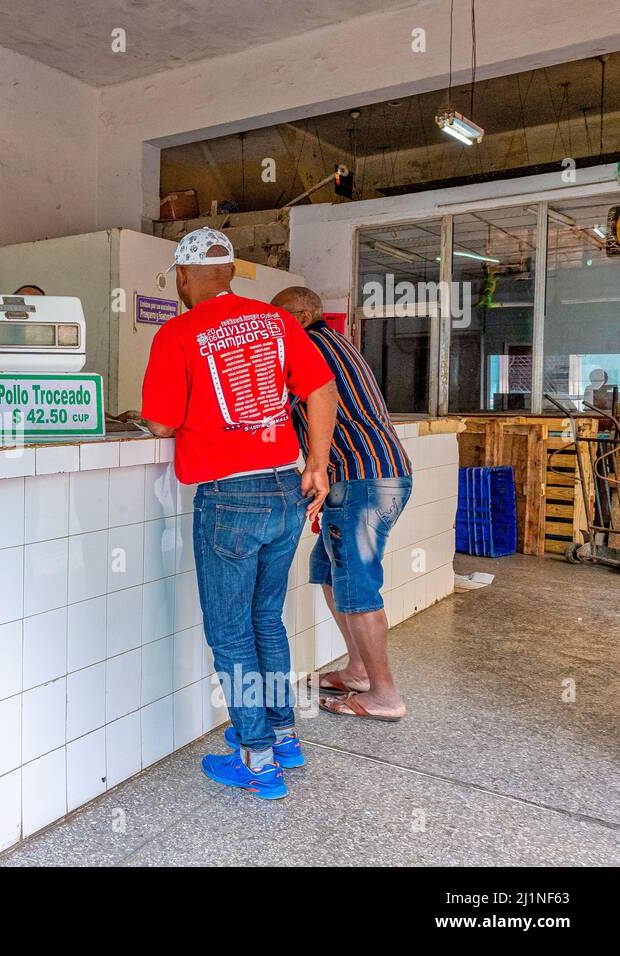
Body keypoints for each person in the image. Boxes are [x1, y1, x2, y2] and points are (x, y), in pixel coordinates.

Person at [142, 228, 338, 800]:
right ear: (230, 274)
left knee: (230, 633)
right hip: (286, 488)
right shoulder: (277, 322)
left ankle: (254, 759)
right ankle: (282, 738)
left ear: (182, 277)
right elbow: (321, 390)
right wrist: (318, 465)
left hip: (229, 499)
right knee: (265, 621)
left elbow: (158, 424)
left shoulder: (178, 333)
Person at [271, 286, 413, 722]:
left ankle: (384, 697)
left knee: (356, 586)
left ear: (308, 313)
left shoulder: (309, 345)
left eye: (284, 316)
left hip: (361, 480)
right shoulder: (338, 343)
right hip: (378, 474)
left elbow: (286, 405)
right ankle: (357, 671)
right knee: (330, 571)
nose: (277, 326)